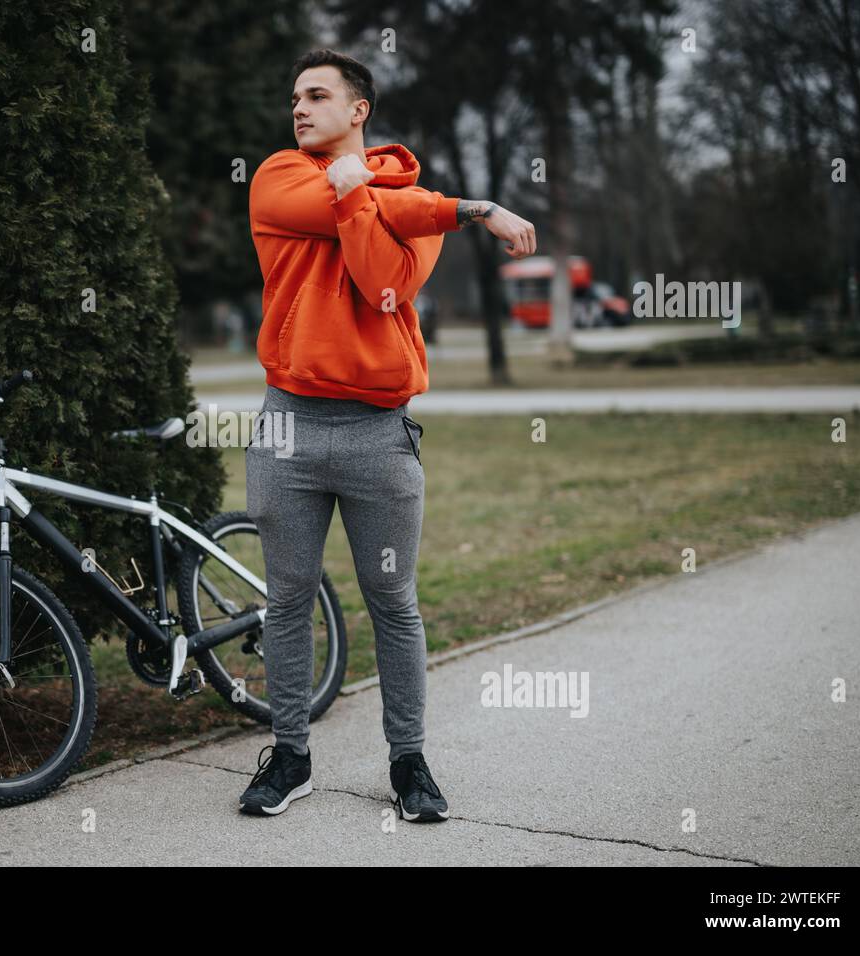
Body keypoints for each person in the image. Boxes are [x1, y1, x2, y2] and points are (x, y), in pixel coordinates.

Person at [239, 49, 536, 821]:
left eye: (316, 96)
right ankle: (292, 757)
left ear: (358, 110)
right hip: (287, 428)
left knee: (393, 602)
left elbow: (381, 285)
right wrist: (474, 208)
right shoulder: (276, 176)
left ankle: (409, 764)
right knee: (287, 600)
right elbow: (382, 214)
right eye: (294, 96)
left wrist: (375, 201)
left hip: (378, 433)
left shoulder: (405, 199)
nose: (299, 109)